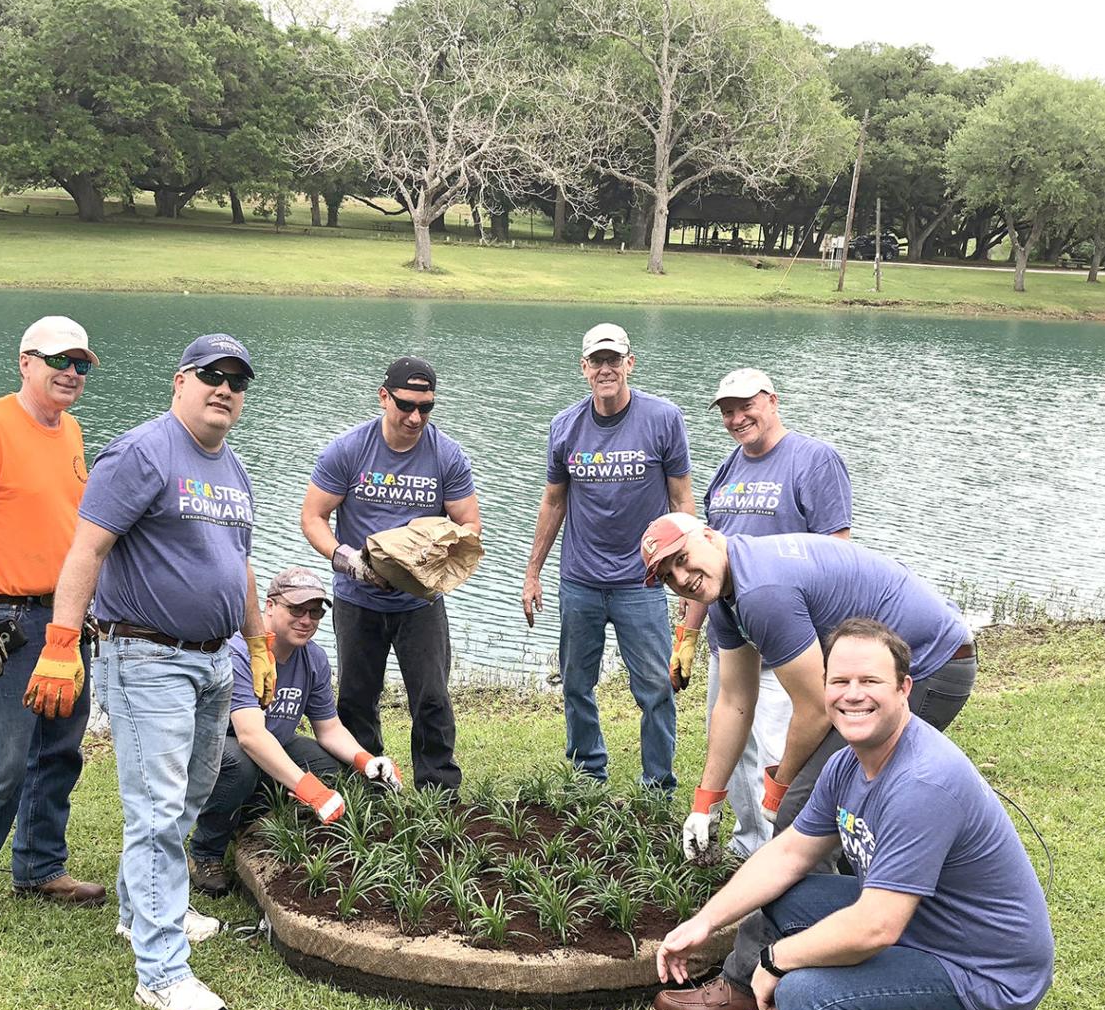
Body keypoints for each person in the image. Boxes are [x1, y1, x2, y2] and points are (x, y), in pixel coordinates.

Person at [655, 619, 1053, 1010]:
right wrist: (704, 923)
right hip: (927, 927)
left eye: (871, 681)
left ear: (905, 688)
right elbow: (790, 853)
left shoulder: (920, 783)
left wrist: (775, 960)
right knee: (788, 895)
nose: (853, 695)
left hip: (985, 970)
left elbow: (875, 927)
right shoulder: (848, 763)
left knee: (804, 1000)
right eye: (840, 681)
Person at [24, 333, 276, 1010]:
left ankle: (141, 914)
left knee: (189, 796)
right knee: (157, 811)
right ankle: (160, 974)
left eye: (237, 380)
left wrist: (256, 639)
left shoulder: (234, 469)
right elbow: (88, 548)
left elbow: (241, 564)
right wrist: (59, 643)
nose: (225, 388)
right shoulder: (140, 453)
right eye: (211, 375)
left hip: (212, 658)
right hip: (146, 657)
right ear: (180, 381)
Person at [641, 514, 977, 1010]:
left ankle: (745, 982)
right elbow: (733, 701)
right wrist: (704, 804)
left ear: (709, 536)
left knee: (800, 819)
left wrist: (779, 786)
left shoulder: (762, 591)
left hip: (928, 666)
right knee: (834, 812)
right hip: (895, 667)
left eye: (682, 559)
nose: (681, 577)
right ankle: (858, 941)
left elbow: (817, 707)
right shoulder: (728, 597)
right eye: (667, 575)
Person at [0, 315, 105, 935]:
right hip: (6, 618)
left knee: (59, 751)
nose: (71, 373)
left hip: (66, 620)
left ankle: (39, 866)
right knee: (4, 756)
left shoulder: (72, 431)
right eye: (59, 360)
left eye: (82, 364)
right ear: (25, 362)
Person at [673, 368, 851, 860]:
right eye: (726, 411)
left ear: (772, 400)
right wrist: (687, 635)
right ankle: (749, 846)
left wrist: (832, 645)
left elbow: (837, 555)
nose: (735, 417)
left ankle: (797, 857)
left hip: (793, 641)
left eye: (745, 405)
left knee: (782, 755)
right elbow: (701, 565)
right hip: (733, 638)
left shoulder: (814, 460)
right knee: (732, 746)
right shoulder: (728, 470)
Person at [522, 323, 693, 789]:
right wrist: (532, 572)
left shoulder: (663, 419)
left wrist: (688, 575)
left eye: (613, 360)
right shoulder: (564, 427)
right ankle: (587, 775)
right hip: (579, 580)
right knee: (577, 684)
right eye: (596, 361)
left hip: (643, 581)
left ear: (629, 364)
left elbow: (682, 501)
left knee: (656, 688)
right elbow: (554, 502)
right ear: (584, 368)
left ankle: (657, 786)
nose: (605, 369)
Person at [300, 356, 480, 792]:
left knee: (432, 696)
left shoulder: (447, 455)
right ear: (384, 397)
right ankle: (369, 784)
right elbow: (313, 517)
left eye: (427, 407)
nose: (416, 416)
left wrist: (435, 549)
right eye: (406, 405)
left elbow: (470, 525)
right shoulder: (349, 449)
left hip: (421, 600)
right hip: (358, 598)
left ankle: (438, 787)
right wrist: (348, 560)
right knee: (357, 697)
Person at [189, 566, 404, 895]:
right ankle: (206, 850)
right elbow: (250, 737)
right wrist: (311, 792)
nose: (306, 620)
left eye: (315, 612)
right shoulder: (240, 653)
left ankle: (252, 819)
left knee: (330, 768)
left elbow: (329, 729)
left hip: (273, 745)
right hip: (218, 753)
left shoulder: (313, 658)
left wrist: (366, 760)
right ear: (270, 606)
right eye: (296, 610)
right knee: (240, 766)